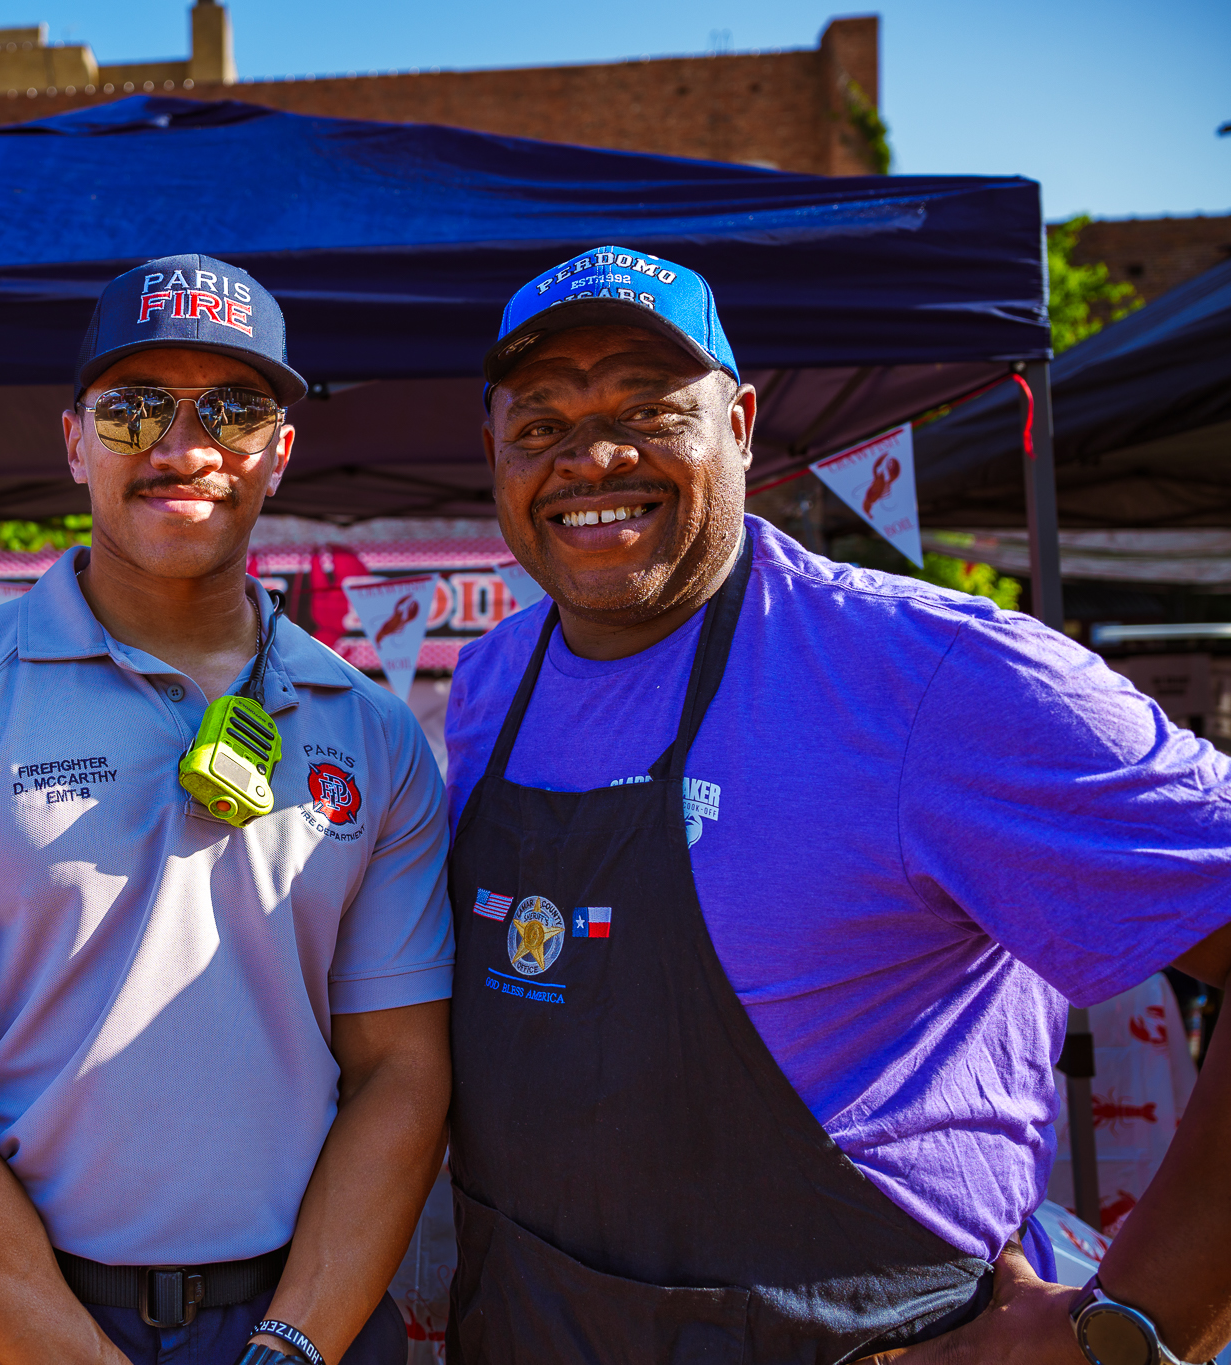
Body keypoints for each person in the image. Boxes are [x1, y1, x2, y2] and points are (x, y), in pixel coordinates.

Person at [443, 244, 1231, 1364]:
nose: (592, 458)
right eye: (540, 427)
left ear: (741, 424)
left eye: (648, 408)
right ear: (491, 453)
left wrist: (1128, 1331)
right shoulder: (488, 683)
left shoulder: (931, 678)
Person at [0, 254, 453, 1365]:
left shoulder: (374, 731)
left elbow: (401, 1073)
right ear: (72, 441)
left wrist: (291, 1347)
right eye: (133, 408)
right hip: (4, 1318)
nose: (181, 447)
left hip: (304, 1321)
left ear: (278, 453)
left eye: (234, 409)